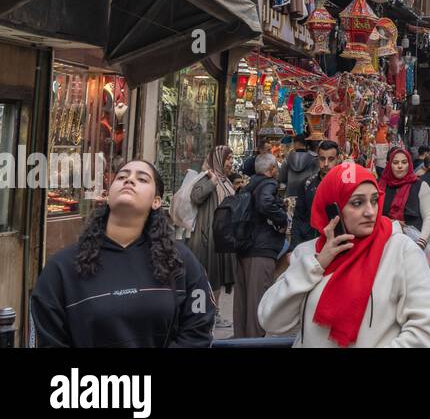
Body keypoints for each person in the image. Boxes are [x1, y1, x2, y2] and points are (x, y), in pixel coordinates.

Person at [258, 162, 430, 347]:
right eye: (357, 203)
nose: (371, 212)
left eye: (374, 200)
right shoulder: (308, 253)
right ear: (333, 209)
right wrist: (317, 265)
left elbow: (427, 330)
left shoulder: (401, 251)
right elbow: (271, 320)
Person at [31, 159, 214, 346]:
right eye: (122, 177)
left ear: (156, 201)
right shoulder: (61, 268)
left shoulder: (180, 261)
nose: (129, 180)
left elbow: (197, 333)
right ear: (108, 195)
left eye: (142, 179)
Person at [234, 151, 287, 338]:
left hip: (245, 247)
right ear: (272, 169)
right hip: (261, 248)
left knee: (243, 300)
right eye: (276, 168)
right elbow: (265, 203)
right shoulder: (268, 183)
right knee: (258, 300)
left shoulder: (249, 185)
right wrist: (282, 219)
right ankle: (255, 341)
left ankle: (241, 339)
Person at [188, 145, 237, 327]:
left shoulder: (226, 180)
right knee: (208, 276)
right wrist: (212, 181)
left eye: (231, 158)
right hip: (207, 236)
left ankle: (214, 313)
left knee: (219, 276)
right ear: (218, 160)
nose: (231, 162)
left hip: (223, 236)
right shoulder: (208, 178)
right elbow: (196, 196)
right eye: (228, 158)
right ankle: (201, 314)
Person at [380, 147, 430, 249]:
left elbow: (429, 216)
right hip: (384, 244)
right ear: (389, 165)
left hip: (413, 245)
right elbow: (373, 215)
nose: (400, 166)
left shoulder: (421, 186)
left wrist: (422, 242)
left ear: (409, 164)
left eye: (404, 162)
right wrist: (390, 222)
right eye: (395, 163)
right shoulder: (381, 186)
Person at [291, 139, 340, 247]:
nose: (326, 164)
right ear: (318, 159)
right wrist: (293, 247)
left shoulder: (344, 184)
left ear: (338, 159)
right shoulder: (307, 184)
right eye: (322, 159)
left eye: (330, 159)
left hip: (336, 244)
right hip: (310, 242)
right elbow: (298, 217)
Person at [278, 134, 316, 200]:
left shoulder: (288, 158)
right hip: (307, 193)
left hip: (291, 193)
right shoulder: (313, 158)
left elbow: (282, 177)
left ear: (297, 143)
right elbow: (316, 176)